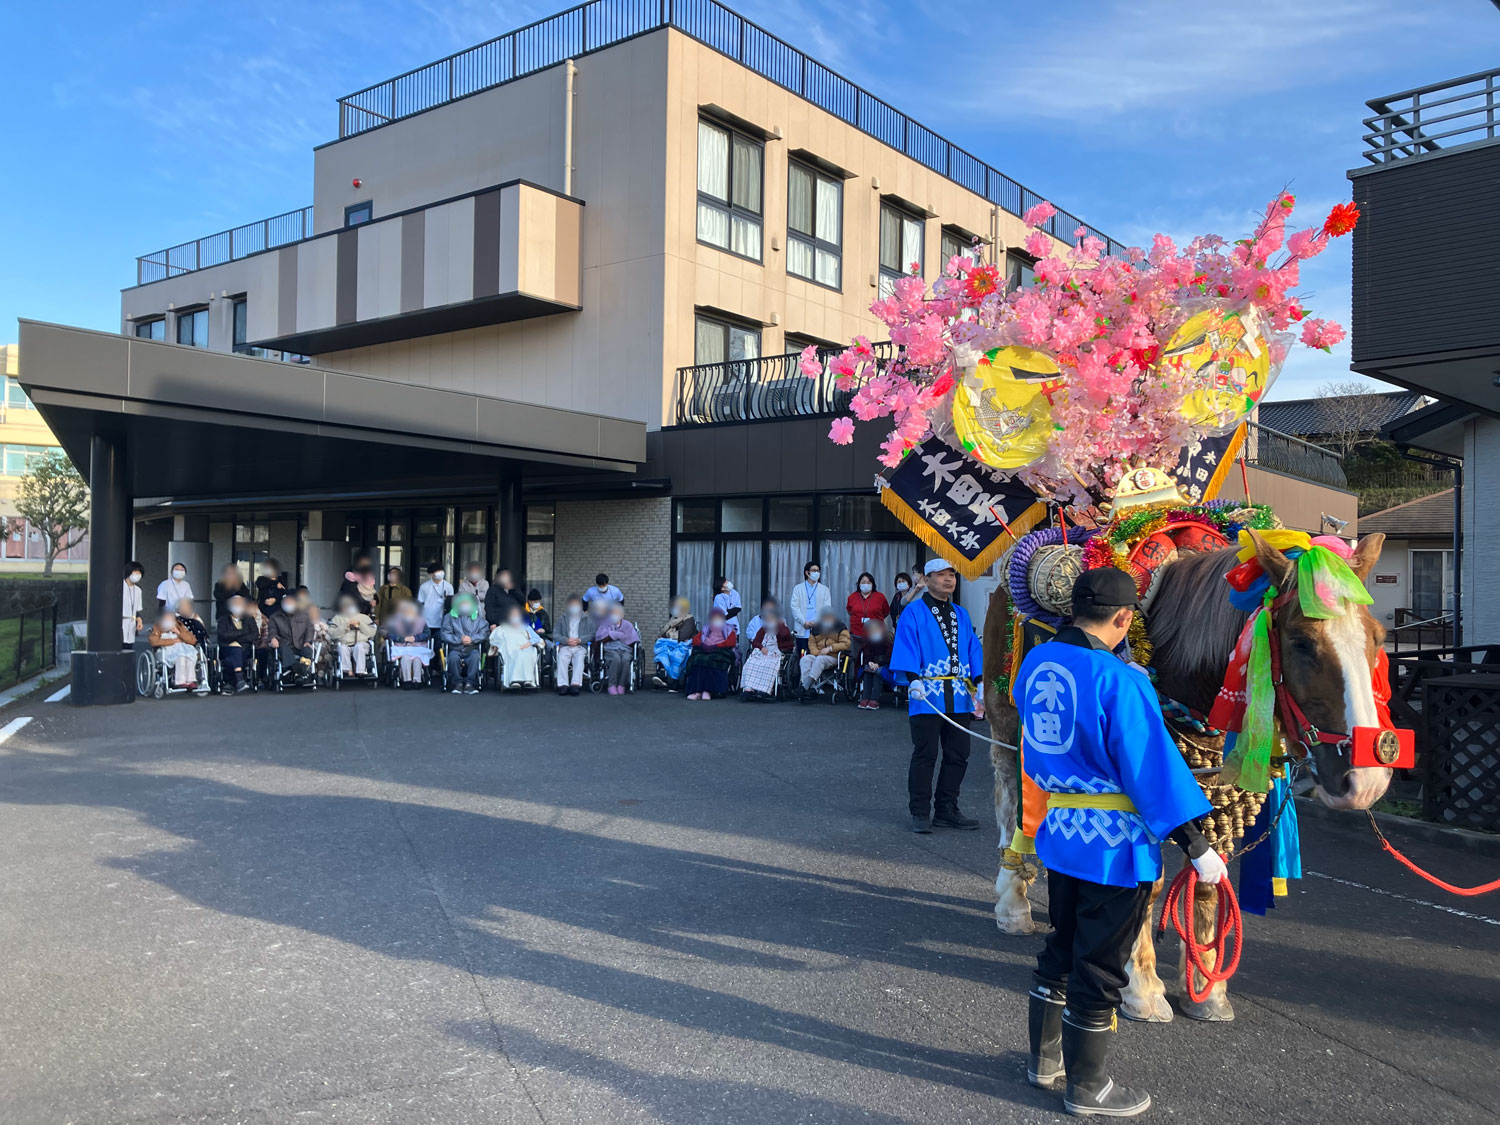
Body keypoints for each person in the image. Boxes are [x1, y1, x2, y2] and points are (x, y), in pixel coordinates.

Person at [1017, 567, 1223, 1118]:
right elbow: (1152, 768)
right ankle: (1088, 1088)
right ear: (1125, 618)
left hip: (1061, 832)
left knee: (1061, 946)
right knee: (1101, 964)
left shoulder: (1036, 663)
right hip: (1113, 845)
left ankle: (1043, 1062)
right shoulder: (1121, 680)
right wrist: (1197, 845)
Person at [892, 559, 984, 834]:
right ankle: (920, 811)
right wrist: (913, 679)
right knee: (926, 754)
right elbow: (906, 644)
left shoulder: (961, 614)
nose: (948, 579)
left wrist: (979, 681)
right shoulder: (913, 612)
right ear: (927, 579)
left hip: (958, 694)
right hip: (927, 693)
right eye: (941, 575)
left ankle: (947, 809)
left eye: (951, 575)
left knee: (959, 754)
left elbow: (973, 648)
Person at [683, 609, 738, 700]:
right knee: (697, 660)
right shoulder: (706, 629)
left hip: (720, 650)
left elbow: (731, 642)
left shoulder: (729, 630)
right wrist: (702, 645)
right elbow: (695, 639)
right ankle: (697, 691)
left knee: (710, 660)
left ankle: (707, 691)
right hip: (704, 650)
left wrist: (716, 646)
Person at [740, 606, 792, 700]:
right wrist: (761, 647)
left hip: (776, 652)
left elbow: (788, 643)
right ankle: (749, 689)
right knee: (751, 662)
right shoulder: (764, 629)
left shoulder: (782, 628)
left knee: (769, 665)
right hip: (763, 651)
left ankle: (765, 690)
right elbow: (755, 642)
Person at [488, 603, 543, 691]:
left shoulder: (525, 627)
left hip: (525, 647)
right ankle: (514, 680)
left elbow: (537, 638)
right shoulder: (502, 628)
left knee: (527, 654)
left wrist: (529, 643)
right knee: (514, 654)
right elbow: (495, 638)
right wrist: (496, 645)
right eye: (513, 615)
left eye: (517, 615)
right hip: (510, 649)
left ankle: (528, 680)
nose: (515, 617)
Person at [442, 591, 489, 694]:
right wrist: (459, 639)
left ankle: (470, 683)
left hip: (472, 648)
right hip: (456, 648)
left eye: (467, 603)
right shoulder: (449, 618)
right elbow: (445, 634)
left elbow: (484, 633)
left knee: (475, 657)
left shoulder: (478, 619)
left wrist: (472, 639)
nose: (465, 605)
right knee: (453, 658)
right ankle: (457, 683)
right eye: (462, 603)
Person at [798, 608, 850, 696]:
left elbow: (846, 644)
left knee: (820, 659)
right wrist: (818, 653)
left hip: (834, 656)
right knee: (805, 659)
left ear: (833, 617)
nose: (827, 619)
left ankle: (805, 686)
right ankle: (812, 689)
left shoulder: (840, 627)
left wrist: (830, 648)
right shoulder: (816, 628)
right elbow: (811, 644)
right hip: (818, 654)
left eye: (829, 617)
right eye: (825, 617)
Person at [268, 590, 316, 685]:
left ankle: (299, 673)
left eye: (290, 601)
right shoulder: (275, 616)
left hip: (301, 643)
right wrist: (273, 638)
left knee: (307, 650)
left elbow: (310, 629)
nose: (288, 603)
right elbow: (272, 630)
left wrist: (307, 641)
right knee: (281, 645)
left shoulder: (304, 614)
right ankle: (297, 669)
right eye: (285, 601)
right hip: (285, 644)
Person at [553, 595, 595, 696]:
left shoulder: (587, 619)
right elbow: (555, 634)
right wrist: (566, 640)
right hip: (566, 645)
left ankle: (575, 684)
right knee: (562, 657)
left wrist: (580, 640)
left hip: (580, 646)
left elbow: (592, 634)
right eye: (572, 605)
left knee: (579, 658)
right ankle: (563, 684)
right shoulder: (562, 618)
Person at [384, 599, 432, 687]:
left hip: (417, 647)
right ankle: (407, 681)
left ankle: (417, 681)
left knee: (417, 659)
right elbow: (390, 634)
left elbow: (427, 634)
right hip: (402, 647)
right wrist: (403, 638)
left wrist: (415, 638)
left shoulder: (421, 621)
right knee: (405, 658)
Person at [652, 597, 698, 690]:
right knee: (663, 652)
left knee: (677, 655)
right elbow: (663, 632)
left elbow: (683, 635)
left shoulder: (689, 619)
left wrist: (669, 636)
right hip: (672, 643)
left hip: (683, 644)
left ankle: (672, 681)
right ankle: (662, 674)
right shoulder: (673, 619)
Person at [149, 610, 201, 690]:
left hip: (182, 648)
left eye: (171, 617)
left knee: (190, 657)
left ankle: (190, 681)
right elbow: (153, 641)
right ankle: (180, 681)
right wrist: (173, 641)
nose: (169, 619)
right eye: (167, 617)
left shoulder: (180, 626)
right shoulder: (158, 627)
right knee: (181, 657)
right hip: (166, 650)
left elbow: (192, 640)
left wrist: (178, 632)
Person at [216, 594, 258, 693]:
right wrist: (243, 632)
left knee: (233, 656)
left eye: (240, 603)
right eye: (235, 603)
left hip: (245, 650)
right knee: (234, 651)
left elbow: (254, 635)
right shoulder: (223, 620)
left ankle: (231, 682)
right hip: (227, 649)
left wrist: (236, 639)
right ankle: (239, 678)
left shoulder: (249, 619)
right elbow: (223, 635)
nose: (238, 606)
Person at [328, 595, 377, 680]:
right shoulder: (337, 618)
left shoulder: (364, 617)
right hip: (344, 643)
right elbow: (332, 633)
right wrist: (345, 626)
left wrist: (360, 624)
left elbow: (372, 632)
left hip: (361, 642)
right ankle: (346, 670)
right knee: (342, 648)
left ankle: (360, 671)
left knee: (359, 646)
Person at [595, 603, 639, 695]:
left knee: (625, 660)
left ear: (622, 615)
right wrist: (618, 635)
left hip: (625, 649)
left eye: (617, 613)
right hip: (610, 649)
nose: (615, 615)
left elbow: (632, 638)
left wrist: (611, 634)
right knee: (616, 659)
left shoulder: (628, 625)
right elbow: (600, 635)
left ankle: (621, 685)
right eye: (613, 613)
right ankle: (612, 685)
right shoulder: (605, 623)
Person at [846, 571, 890, 651]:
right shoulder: (852, 597)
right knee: (857, 656)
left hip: (875, 634)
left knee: (874, 656)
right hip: (857, 634)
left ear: (872, 584)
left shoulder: (880, 597)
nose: (866, 584)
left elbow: (886, 612)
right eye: (863, 582)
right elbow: (850, 611)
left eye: (868, 582)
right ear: (859, 584)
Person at [789, 561, 831, 644]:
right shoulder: (798, 588)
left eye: (818, 571)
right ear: (807, 573)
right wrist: (804, 622)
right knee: (802, 651)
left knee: (817, 651)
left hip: (818, 629)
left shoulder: (824, 590)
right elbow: (794, 607)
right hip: (802, 629)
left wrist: (815, 622)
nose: (816, 573)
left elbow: (826, 609)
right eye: (814, 570)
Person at [856, 620, 893, 711]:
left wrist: (878, 664)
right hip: (873, 664)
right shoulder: (869, 642)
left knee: (877, 673)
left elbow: (890, 657)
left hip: (885, 665)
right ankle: (865, 698)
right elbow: (866, 655)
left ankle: (874, 700)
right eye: (872, 630)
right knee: (867, 673)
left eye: (876, 629)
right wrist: (869, 662)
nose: (874, 632)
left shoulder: (887, 641)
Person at [416, 563, 453, 631]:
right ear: (431, 574)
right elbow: (420, 603)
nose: (440, 573)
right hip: (427, 620)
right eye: (437, 571)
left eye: (440, 570)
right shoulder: (424, 586)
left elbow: (450, 604)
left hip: (442, 621)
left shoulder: (449, 586)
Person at [123, 562, 145, 648]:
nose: (137, 575)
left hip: (131, 622)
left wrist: (139, 619)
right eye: (135, 572)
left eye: (139, 573)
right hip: (120, 622)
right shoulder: (120, 587)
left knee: (129, 646)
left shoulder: (138, 590)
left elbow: (136, 609)